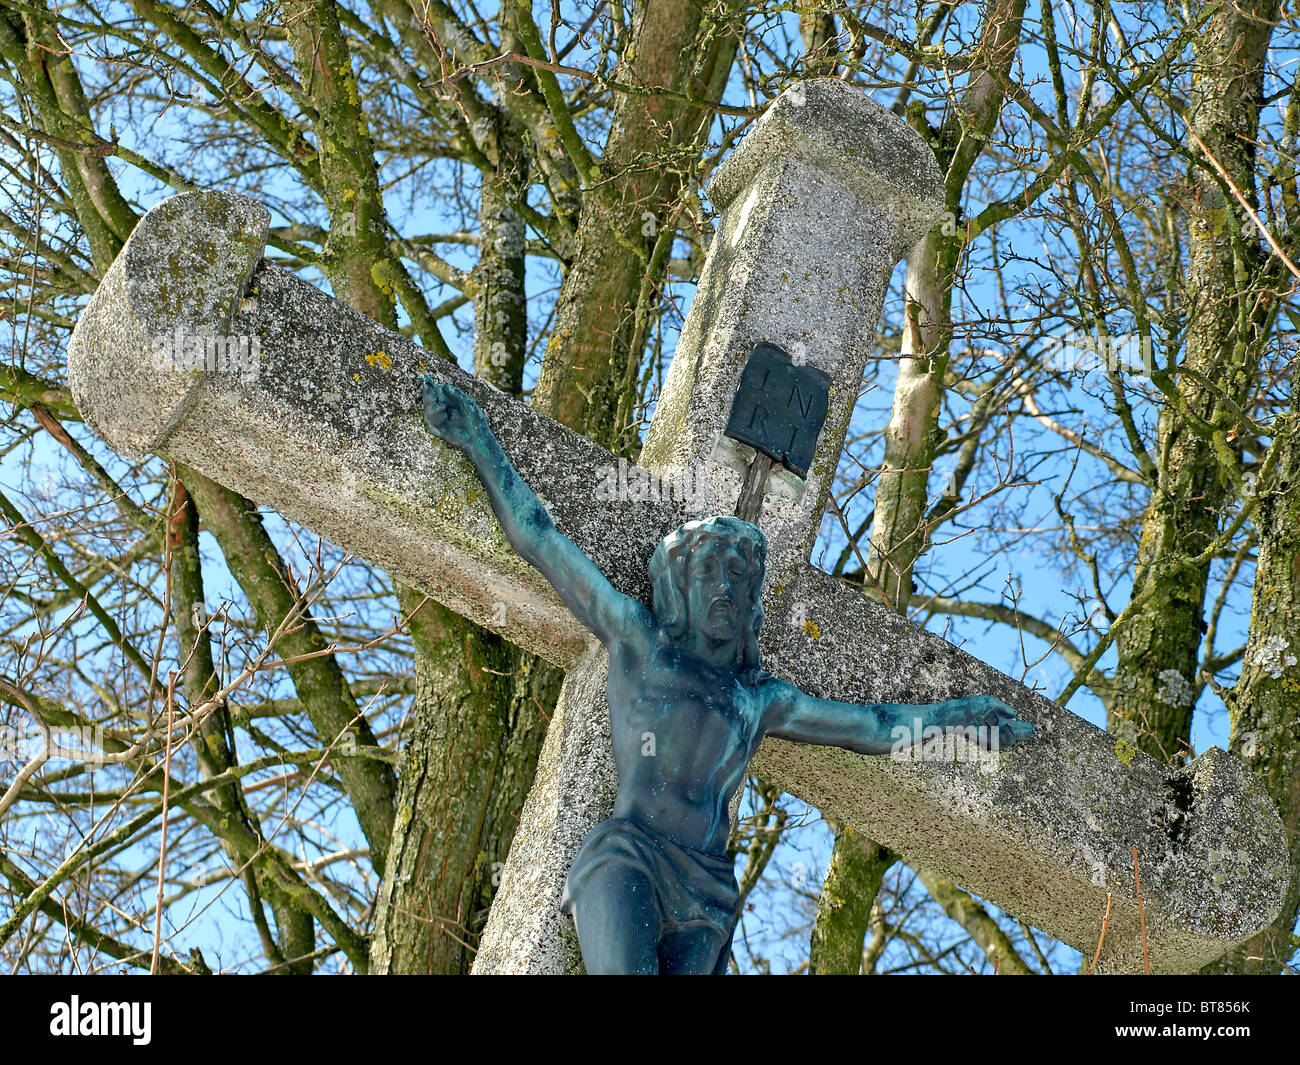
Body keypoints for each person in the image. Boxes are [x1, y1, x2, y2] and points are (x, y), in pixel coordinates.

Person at [422, 376, 1034, 974]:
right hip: (629, 858)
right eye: (712, 571)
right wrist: (479, 441)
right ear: (681, 585)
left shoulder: (758, 698)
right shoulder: (640, 640)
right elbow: (541, 539)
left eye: (740, 577)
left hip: (709, 891)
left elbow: (870, 726)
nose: (725, 586)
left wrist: (956, 720)